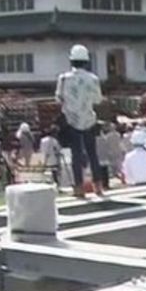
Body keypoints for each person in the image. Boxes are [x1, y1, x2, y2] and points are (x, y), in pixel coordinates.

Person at [56, 44, 105, 198]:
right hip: (89, 120)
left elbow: (58, 98)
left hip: (72, 120)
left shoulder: (63, 78)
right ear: (86, 61)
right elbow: (98, 99)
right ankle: (98, 186)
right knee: (92, 154)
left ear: (71, 61)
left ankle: (78, 188)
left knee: (76, 155)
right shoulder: (93, 79)